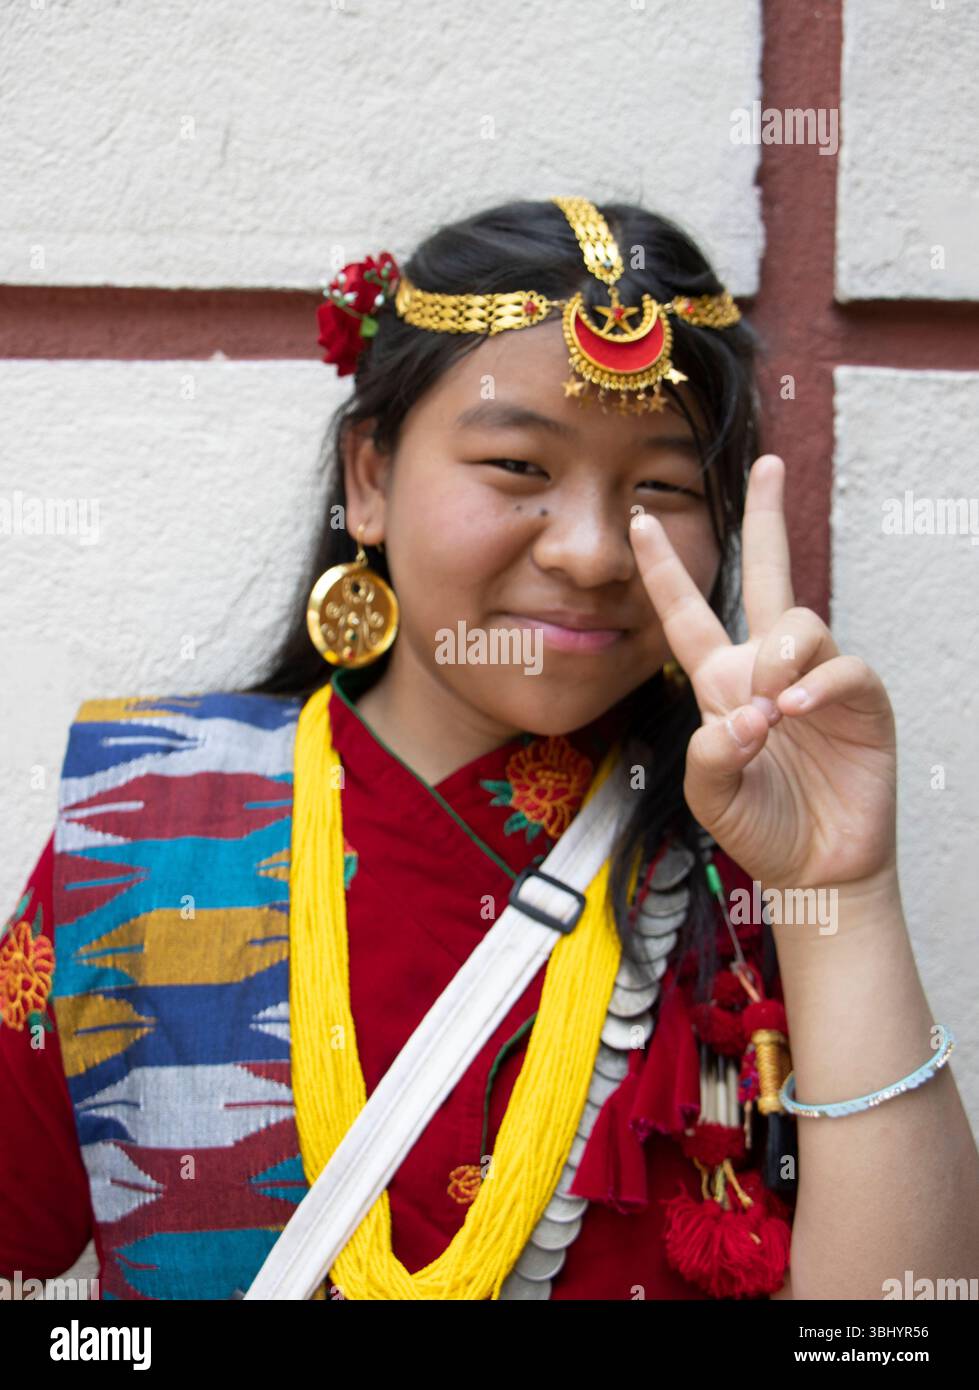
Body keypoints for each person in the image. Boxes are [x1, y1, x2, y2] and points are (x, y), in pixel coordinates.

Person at [1, 196, 976, 1302]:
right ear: (370, 479)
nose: (592, 552)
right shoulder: (144, 830)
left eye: (662, 487)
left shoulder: (752, 862)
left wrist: (841, 891)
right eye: (518, 465)